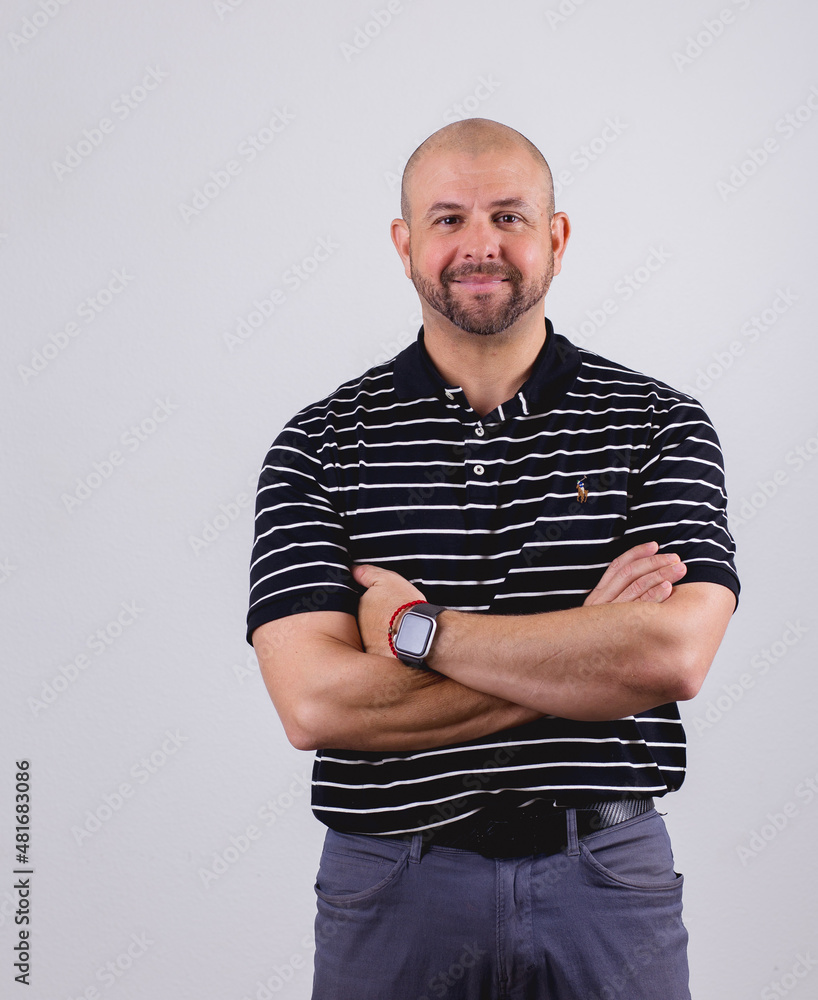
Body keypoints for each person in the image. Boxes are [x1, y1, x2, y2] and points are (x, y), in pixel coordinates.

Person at [247, 118, 739, 1000]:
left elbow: (671, 656)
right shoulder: (317, 446)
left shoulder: (660, 426)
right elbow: (315, 704)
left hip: (606, 880)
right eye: (448, 219)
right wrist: (589, 645)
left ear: (555, 238)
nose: (481, 244)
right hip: (391, 884)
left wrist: (416, 633)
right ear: (404, 245)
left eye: (510, 216)